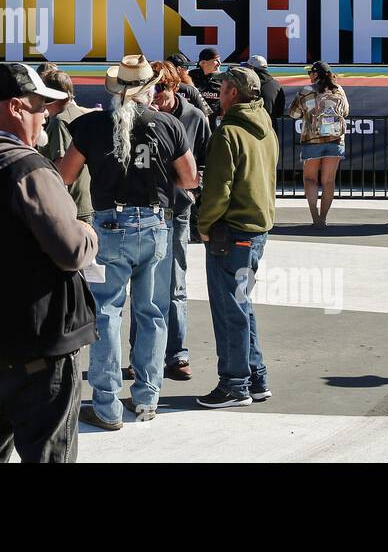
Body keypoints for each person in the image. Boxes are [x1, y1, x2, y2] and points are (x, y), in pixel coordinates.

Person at [0, 62, 98, 462]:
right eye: (38, 105)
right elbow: (71, 251)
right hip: (37, 345)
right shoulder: (27, 167)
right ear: (16, 108)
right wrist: (89, 233)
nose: (45, 113)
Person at [57, 54, 198, 428]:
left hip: (109, 226)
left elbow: (64, 176)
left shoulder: (90, 126)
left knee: (106, 312)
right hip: (155, 224)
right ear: (147, 91)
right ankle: (147, 399)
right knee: (152, 312)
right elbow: (189, 178)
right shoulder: (168, 125)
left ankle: (107, 406)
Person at [194, 66, 277, 409]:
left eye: (223, 86)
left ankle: (234, 384)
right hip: (256, 228)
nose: (219, 92)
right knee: (242, 307)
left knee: (231, 310)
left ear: (232, 93)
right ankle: (255, 379)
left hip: (231, 231)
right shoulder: (264, 127)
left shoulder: (228, 132)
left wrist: (203, 224)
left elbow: (218, 189)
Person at [138, 60, 211, 382]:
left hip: (177, 211)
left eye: (159, 93)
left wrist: (198, 204)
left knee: (175, 286)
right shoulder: (139, 117)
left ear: (173, 88)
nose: (153, 99)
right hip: (143, 210)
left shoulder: (195, 118)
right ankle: (140, 354)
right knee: (142, 287)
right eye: (148, 92)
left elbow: (207, 162)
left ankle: (177, 354)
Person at [288, 60, 349, 227]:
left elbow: (293, 113)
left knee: (310, 179)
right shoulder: (339, 90)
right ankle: (324, 218)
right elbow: (345, 112)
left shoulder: (307, 91)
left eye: (310, 73)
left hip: (312, 140)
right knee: (329, 181)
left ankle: (315, 216)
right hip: (336, 140)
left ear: (315, 74)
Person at [41, 69, 94, 226]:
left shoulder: (60, 122)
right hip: (86, 203)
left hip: (71, 208)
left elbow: (60, 168)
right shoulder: (80, 115)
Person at [244, 55, 286, 121]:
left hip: (250, 127)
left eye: (246, 67)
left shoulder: (246, 84)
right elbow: (279, 112)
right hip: (270, 128)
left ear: (251, 68)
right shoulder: (276, 85)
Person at [189, 48, 223, 125]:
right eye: (216, 60)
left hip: (213, 124)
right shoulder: (191, 77)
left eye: (220, 60)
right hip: (195, 123)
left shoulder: (222, 79)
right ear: (203, 63)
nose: (219, 63)